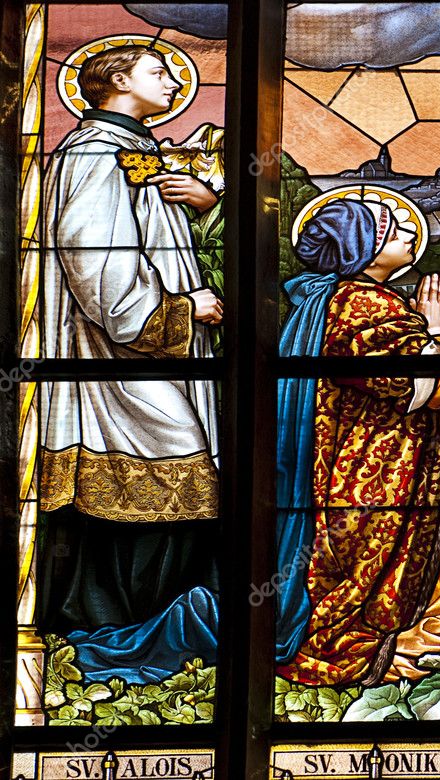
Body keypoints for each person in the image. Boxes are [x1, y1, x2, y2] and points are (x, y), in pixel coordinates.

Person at [36, 45, 223, 678]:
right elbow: (93, 256)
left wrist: (205, 203)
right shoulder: (94, 153)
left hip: (150, 351)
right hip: (115, 351)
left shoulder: (131, 150)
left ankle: (142, 637)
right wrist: (170, 311)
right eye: (159, 72)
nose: (173, 81)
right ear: (117, 81)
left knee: (173, 477)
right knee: (172, 464)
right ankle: (118, 638)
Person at [275, 199, 440, 687]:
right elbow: (414, 387)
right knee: (365, 558)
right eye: (393, 228)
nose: (410, 232)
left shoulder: (341, 300)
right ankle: (355, 647)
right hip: (374, 463)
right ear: (364, 248)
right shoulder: (365, 304)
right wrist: (438, 332)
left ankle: (400, 634)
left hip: (362, 455)